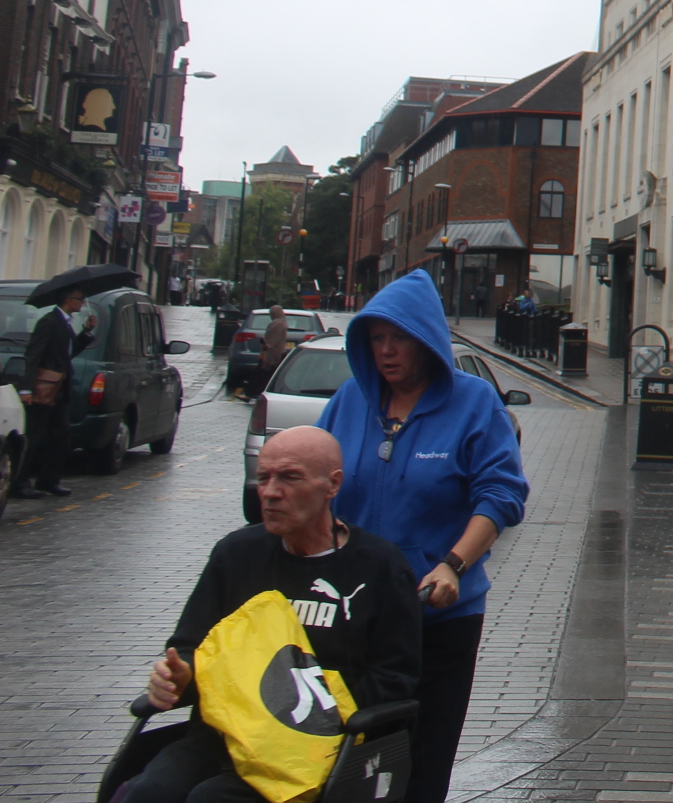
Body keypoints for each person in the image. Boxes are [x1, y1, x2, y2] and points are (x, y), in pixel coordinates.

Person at [123, 427, 421, 803]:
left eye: (290, 477)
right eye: (263, 478)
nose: (270, 492)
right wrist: (178, 676)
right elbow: (189, 647)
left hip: (319, 746)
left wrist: (301, 707)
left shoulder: (380, 566)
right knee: (149, 793)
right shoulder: (236, 555)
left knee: (212, 799)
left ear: (332, 484)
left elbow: (395, 679)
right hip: (224, 733)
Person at [318, 270, 527, 803]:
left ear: (428, 340)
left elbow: (501, 494)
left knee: (422, 767)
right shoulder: (348, 402)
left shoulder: (474, 402)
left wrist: (453, 565)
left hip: (437, 618)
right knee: (341, 764)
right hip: (353, 616)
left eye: (400, 338)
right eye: (377, 338)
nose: (386, 351)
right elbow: (318, 485)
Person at [16, 283, 96, 496]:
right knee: (34, 436)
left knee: (60, 437)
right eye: (79, 299)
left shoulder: (65, 323)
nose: (82, 303)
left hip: (60, 390)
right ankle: (20, 483)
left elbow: (66, 353)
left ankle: (49, 480)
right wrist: (26, 389)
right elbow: (33, 354)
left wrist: (86, 332)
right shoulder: (49, 322)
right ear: (68, 300)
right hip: (44, 389)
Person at [254, 305, 291, 397]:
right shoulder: (283, 322)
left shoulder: (276, 324)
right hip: (281, 352)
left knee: (266, 374)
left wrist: (264, 342)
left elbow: (270, 342)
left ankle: (259, 392)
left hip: (273, 354)